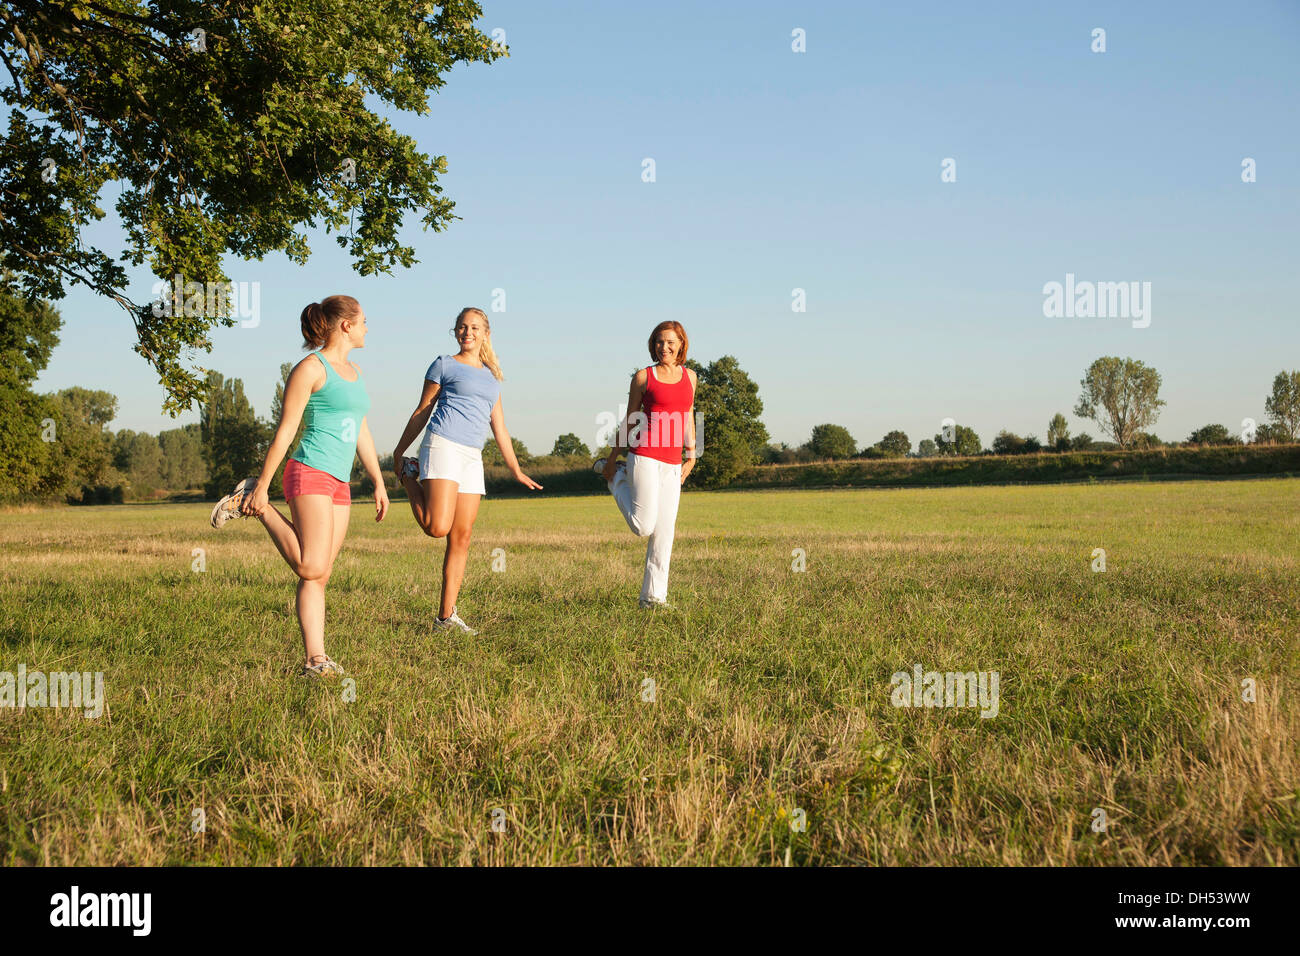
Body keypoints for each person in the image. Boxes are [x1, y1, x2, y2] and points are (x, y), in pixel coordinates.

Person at [208, 295, 389, 676]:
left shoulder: (355, 372)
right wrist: (265, 486)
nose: (367, 328)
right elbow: (286, 429)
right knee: (310, 566)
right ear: (346, 325)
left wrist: (377, 479)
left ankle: (315, 660)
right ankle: (252, 500)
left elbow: (361, 430)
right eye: (364, 321)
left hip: (340, 480)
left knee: (320, 575)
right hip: (308, 471)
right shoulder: (310, 368)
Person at [392, 307, 541, 633]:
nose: (467, 331)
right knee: (437, 527)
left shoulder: (492, 376)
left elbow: (499, 427)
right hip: (442, 444)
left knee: (462, 537)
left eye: (474, 327)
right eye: (462, 326)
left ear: (485, 333)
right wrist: (400, 452)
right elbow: (423, 409)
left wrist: (515, 469)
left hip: (472, 456)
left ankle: (445, 618)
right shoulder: (444, 364)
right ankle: (408, 477)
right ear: (456, 332)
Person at [595, 321, 697, 608]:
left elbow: (688, 415)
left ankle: (652, 598)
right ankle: (617, 480)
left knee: (665, 532)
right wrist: (613, 460)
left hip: (672, 461)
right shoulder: (644, 377)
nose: (663, 347)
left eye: (669, 342)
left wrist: (691, 455)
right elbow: (629, 419)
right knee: (643, 526)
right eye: (658, 342)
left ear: (681, 344)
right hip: (645, 454)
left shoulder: (690, 377)